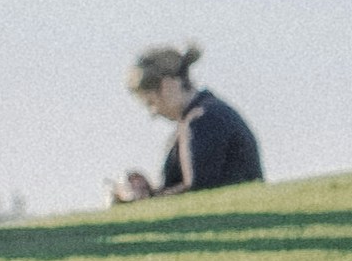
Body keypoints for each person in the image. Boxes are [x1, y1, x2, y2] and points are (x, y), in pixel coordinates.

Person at [113, 44, 265, 201]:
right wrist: (150, 192)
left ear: (166, 85)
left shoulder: (203, 119)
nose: (154, 112)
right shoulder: (208, 113)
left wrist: (143, 200)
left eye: (151, 102)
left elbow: (198, 189)